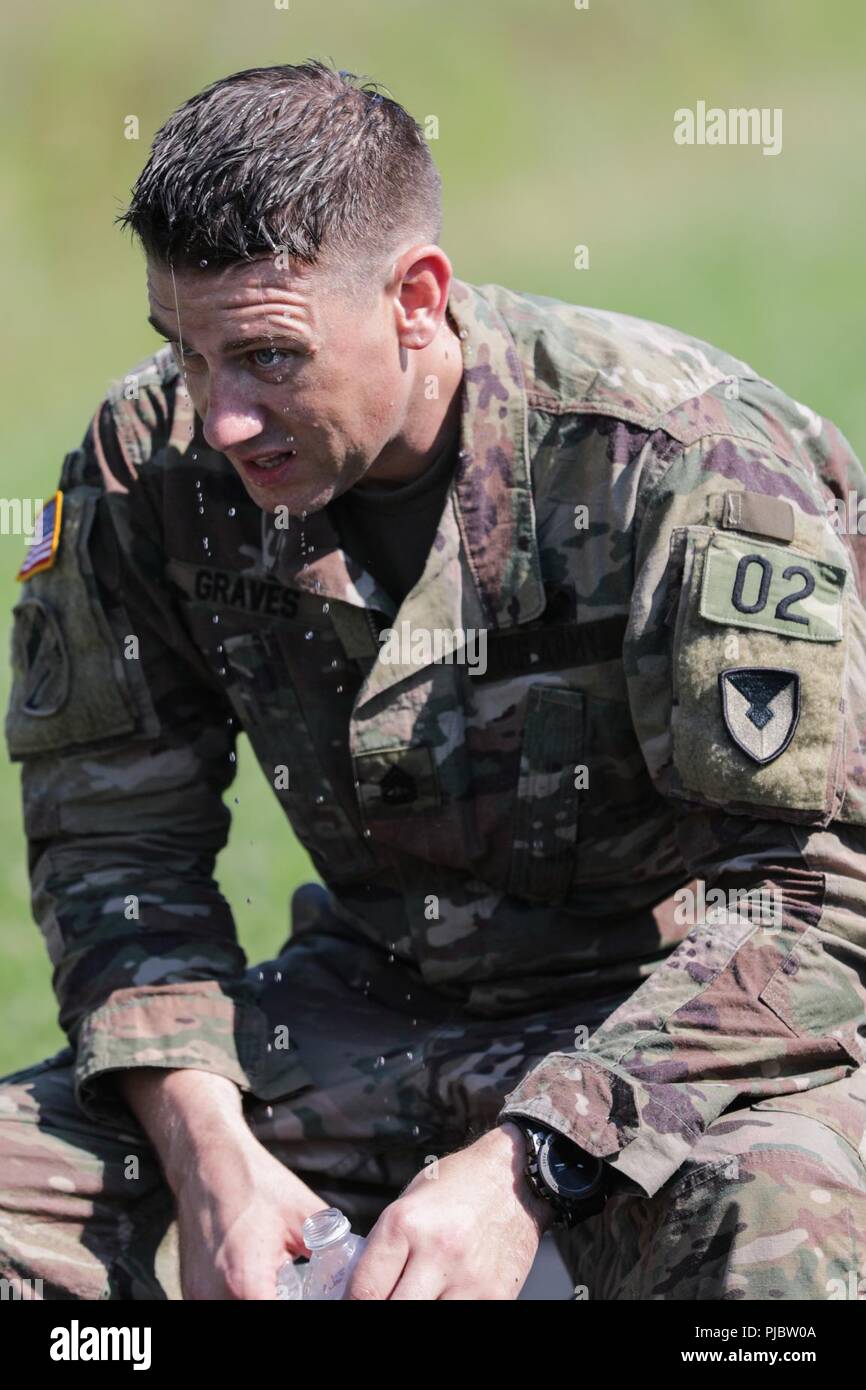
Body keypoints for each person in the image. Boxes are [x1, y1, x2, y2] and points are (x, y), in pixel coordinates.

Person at [2, 59, 865, 1302]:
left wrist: (532, 1159)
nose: (223, 417)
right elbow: (114, 849)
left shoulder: (684, 467)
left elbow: (809, 901)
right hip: (362, 1008)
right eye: (187, 354)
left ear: (415, 299)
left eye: (267, 358)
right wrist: (207, 1151)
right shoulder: (152, 468)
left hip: (671, 1022)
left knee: (779, 1237)